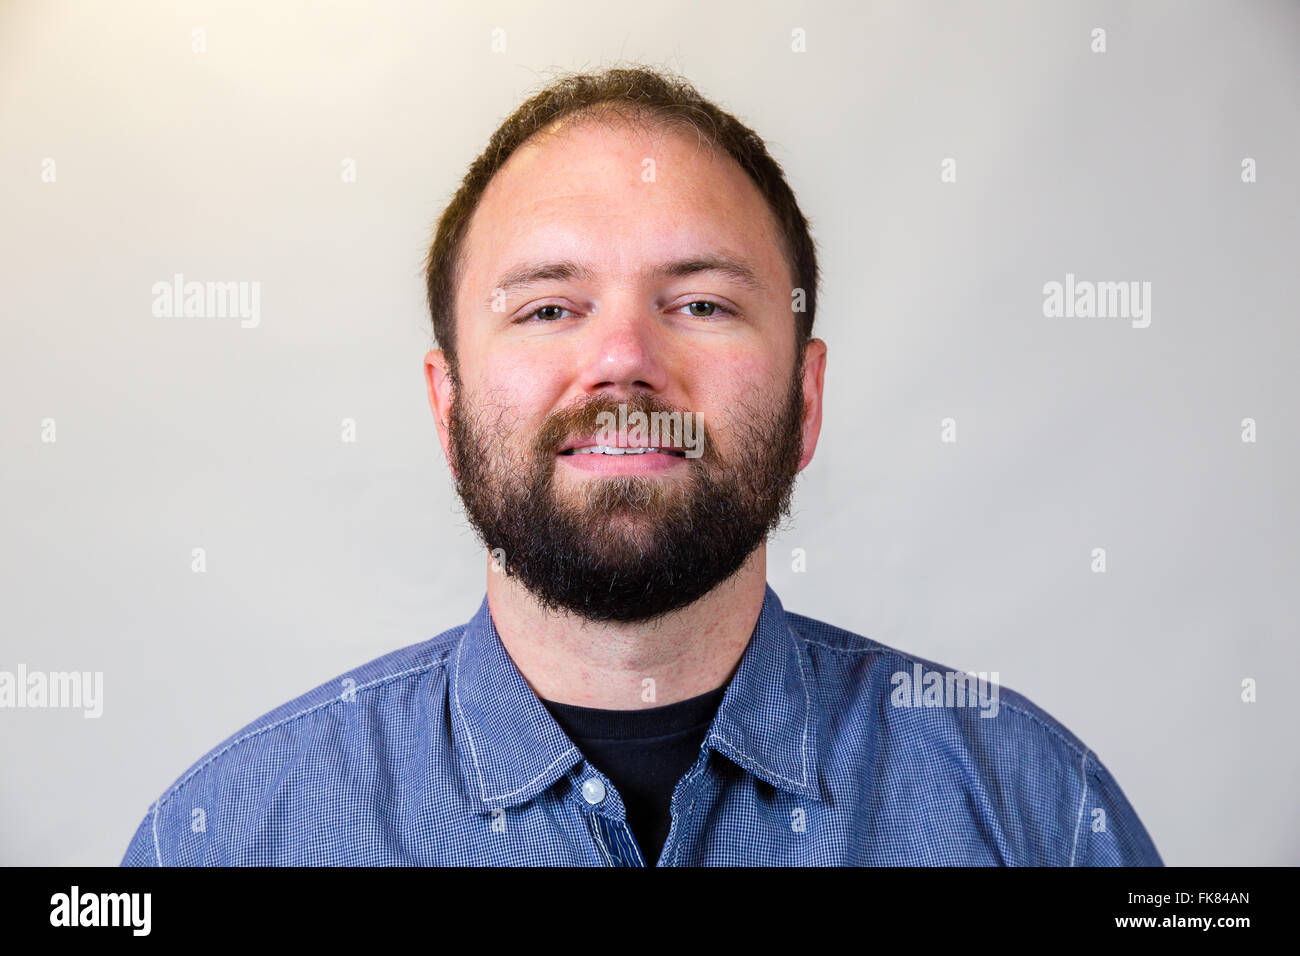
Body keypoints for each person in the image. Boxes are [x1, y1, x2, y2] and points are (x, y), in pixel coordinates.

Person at [121, 65, 1161, 866]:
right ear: (447, 406)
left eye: (700, 303)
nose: (622, 360)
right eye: (547, 308)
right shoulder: (223, 839)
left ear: (805, 398)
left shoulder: (1037, 814)